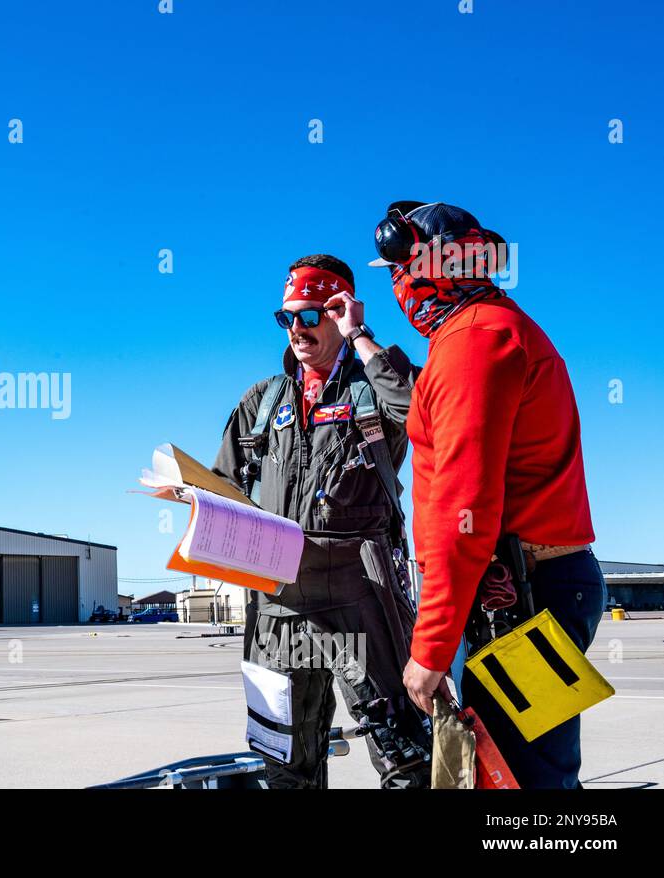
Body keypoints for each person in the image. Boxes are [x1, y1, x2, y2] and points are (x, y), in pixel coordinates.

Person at [372, 201, 603, 789]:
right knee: (527, 776)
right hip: (529, 588)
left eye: (401, 268)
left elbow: (462, 512)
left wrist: (429, 647)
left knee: (520, 786)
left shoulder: (473, 342)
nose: (400, 287)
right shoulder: (494, 327)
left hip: (518, 601)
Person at [212, 254, 431, 788]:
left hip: (358, 591)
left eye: (311, 315)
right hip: (278, 601)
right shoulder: (262, 402)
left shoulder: (374, 385)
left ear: (340, 312)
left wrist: (362, 335)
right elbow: (223, 486)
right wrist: (194, 502)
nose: (296, 330)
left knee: (402, 751)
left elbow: (426, 412)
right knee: (284, 760)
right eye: (287, 318)